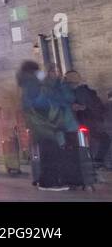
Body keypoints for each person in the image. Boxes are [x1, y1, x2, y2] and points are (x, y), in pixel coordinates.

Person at [18, 61, 78, 190]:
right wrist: (53, 100)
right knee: (51, 152)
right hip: (42, 123)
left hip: (41, 124)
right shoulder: (32, 83)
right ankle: (50, 182)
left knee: (49, 151)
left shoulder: (29, 83)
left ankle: (46, 181)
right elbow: (40, 102)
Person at [65, 70, 108, 165]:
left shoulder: (86, 92)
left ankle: (95, 161)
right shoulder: (86, 92)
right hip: (81, 124)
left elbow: (98, 107)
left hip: (85, 123)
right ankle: (96, 161)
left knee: (102, 139)